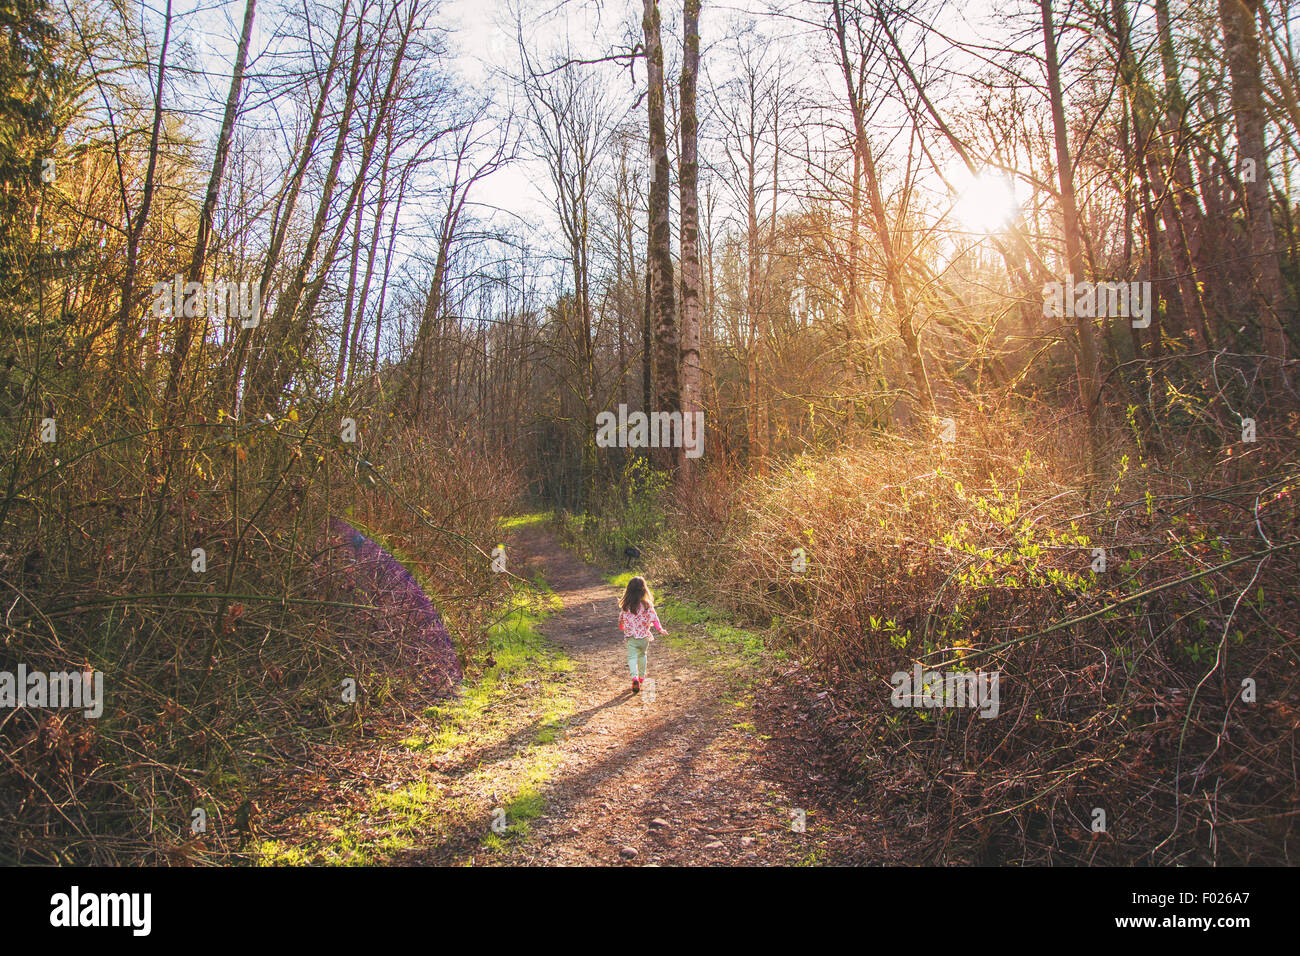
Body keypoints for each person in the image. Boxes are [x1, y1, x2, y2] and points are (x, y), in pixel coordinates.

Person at [618, 575, 666, 694]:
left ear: (628, 590)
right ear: (644, 589)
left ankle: (634, 677)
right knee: (642, 655)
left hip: (631, 638)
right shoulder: (647, 605)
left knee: (632, 657)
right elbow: (655, 619)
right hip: (644, 637)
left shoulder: (626, 606)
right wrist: (660, 629)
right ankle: (641, 678)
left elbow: (621, 620)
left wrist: (622, 627)